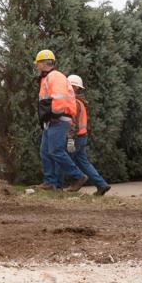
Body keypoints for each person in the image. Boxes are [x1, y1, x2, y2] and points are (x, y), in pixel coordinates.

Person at [35, 50, 88, 192]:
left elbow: (59, 99)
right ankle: (50, 182)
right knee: (45, 151)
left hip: (58, 119)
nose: (37, 66)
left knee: (55, 150)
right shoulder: (48, 78)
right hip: (52, 120)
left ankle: (78, 177)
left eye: (37, 63)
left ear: (42, 63)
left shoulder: (55, 76)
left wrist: (53, 114)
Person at [68, 75, 111, 196]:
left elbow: (73, 124)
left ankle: (66, 185)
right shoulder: (80, 102)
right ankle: (101, 184)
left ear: (74, 87)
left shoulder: (75, 103)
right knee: (83, 162)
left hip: (76, 138)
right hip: (81, 137)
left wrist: (70, 139)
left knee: (64, 160)